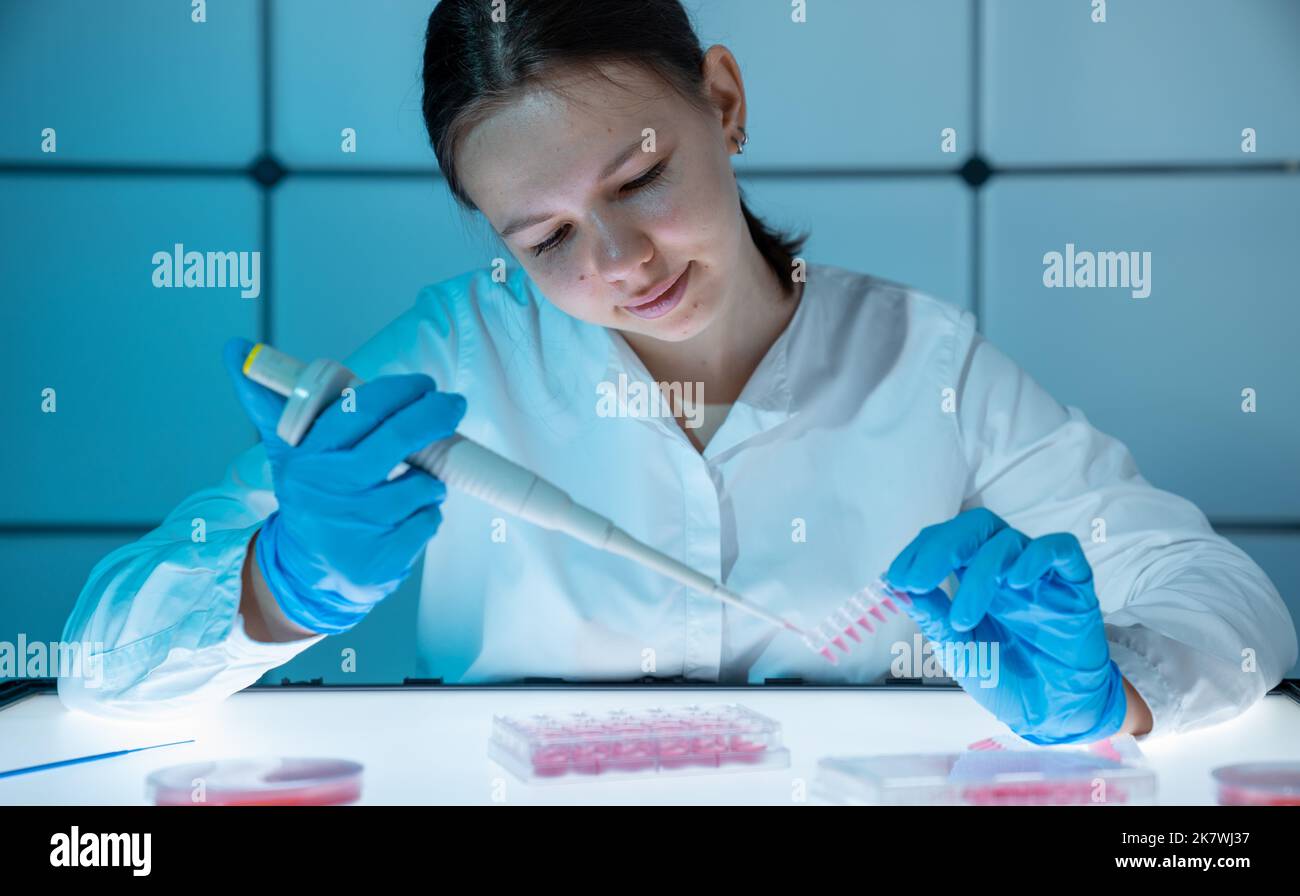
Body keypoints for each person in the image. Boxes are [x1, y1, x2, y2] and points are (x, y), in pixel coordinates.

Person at [59, 0, 1295, 743]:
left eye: (639, 178)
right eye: (540, 237)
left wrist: (1114, 694)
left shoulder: (923, 361)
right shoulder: (448, 356)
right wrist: (280, 585)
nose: (617, 261)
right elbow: (97, 673)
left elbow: (1228, 607)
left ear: (723, 99)